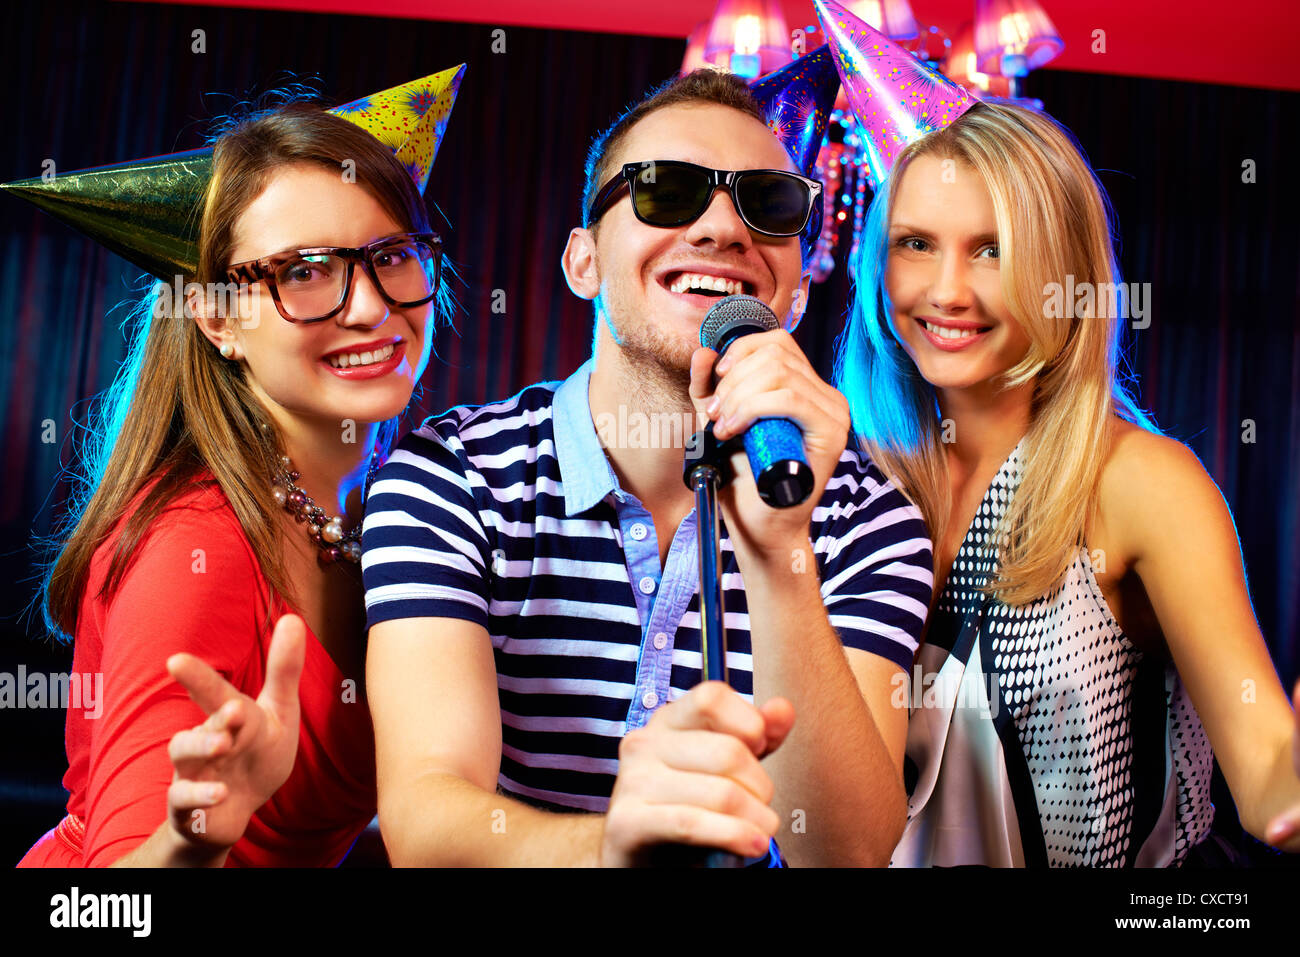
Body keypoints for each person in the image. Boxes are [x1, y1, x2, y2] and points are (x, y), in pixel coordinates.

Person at [361, 66, 934, 867]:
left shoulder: (868, 520)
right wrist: (612, 851)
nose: (725, 228)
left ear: (798, 287)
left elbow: (842, 851)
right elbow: (426, 819)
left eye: (767, 203)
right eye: (666, 190)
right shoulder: (453, 479)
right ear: (584, 261)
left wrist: (779, 553)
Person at [816, 0, 1300, 865]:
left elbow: (1266, 762)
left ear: (1063, 271)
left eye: (992, 250)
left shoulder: (1142, 481)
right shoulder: (854, 474)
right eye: (917, 243)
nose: (947, 290)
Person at [15, 68, 464, 867]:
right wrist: (193, 841)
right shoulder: (195, 547)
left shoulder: (386, 506)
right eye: (303, 271)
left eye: (391, 254)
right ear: (218, 317)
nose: (368, 307)